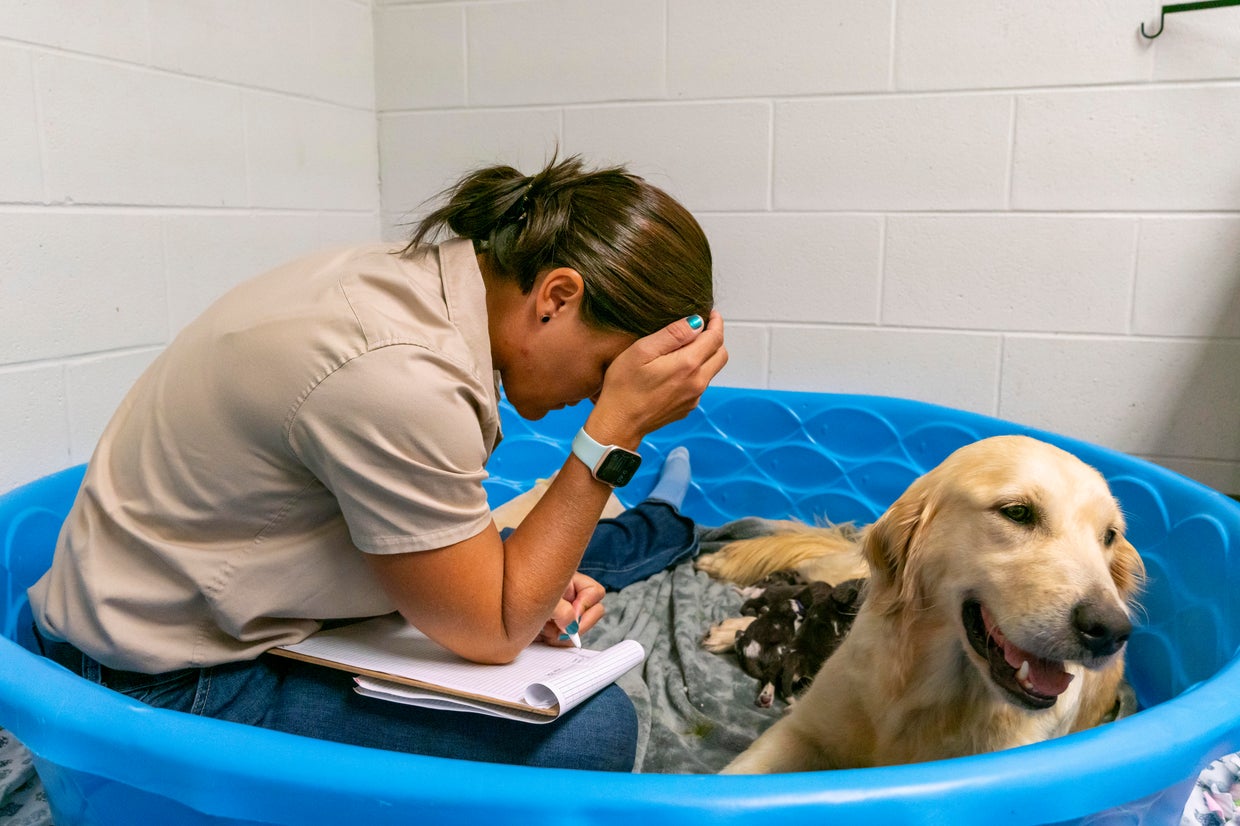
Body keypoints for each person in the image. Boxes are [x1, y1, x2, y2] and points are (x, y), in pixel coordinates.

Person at [27, 155, 727, 772]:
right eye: (606, 372)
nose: (592, 397)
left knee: (538, 567)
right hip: (155, 686)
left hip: (168, 604)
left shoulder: (403, 283)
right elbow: (497, 631)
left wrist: (512, 588)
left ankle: (658, 521)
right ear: (558, 297)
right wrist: (614, 433)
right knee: (592, 735)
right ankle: (664, 519)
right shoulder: (400, 374)